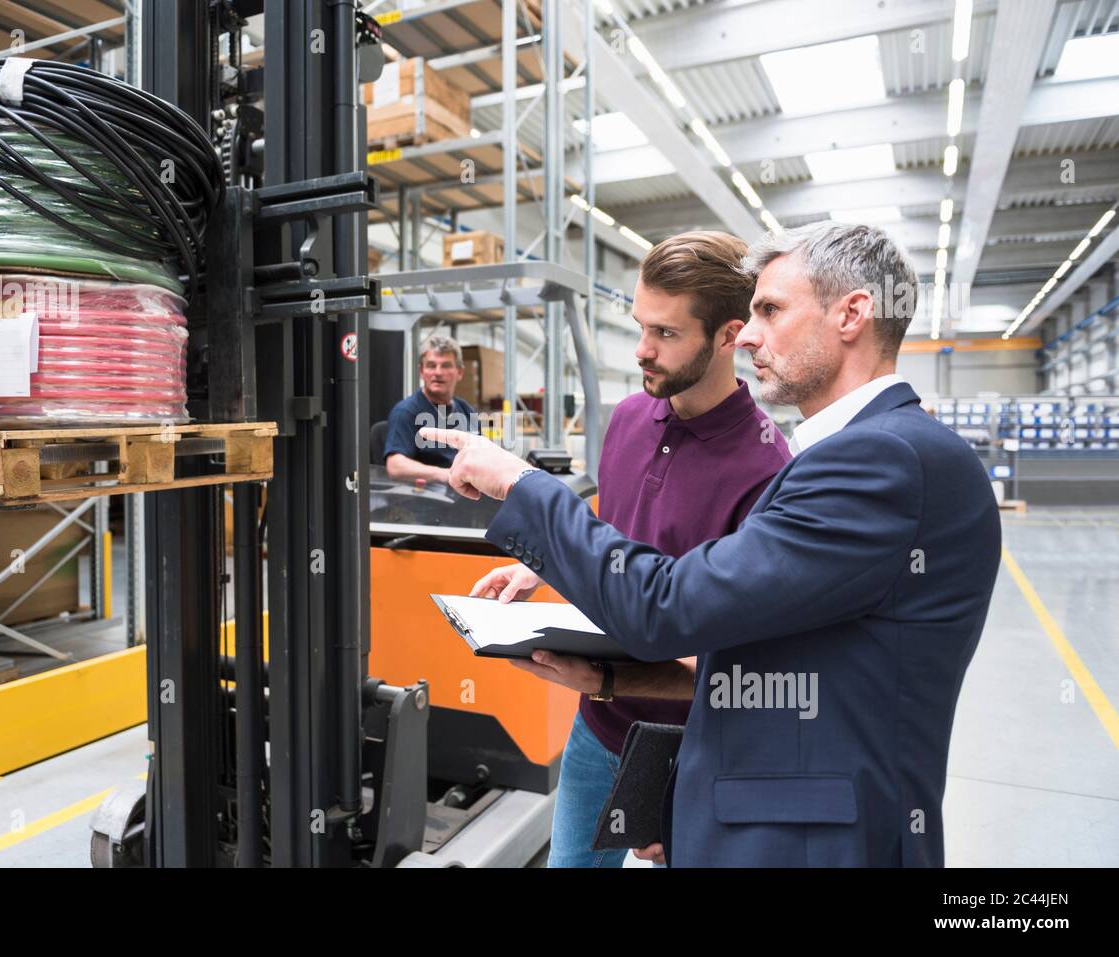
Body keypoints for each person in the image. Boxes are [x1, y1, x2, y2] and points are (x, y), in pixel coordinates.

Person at [420, 221, 1002, 867]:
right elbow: (773, 654)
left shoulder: (878, 461)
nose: (750, 332)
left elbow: (671, 604)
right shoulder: (848, 457)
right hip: (743, 797)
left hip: (806, 839)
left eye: (770, 309)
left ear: (853, 314)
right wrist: (612, 680)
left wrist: (519, 483)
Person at [469, 231, 789, 867]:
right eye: (640, 325)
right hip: (597, 727)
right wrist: (540, 564)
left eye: (666, 334)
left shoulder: (766, 470)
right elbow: (612, 528)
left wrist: (616, 681)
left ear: (729, 335)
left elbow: (744, 666)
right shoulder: (628, 418)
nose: (643, 350)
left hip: (686, 744)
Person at [384, 334, 476, 484]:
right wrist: (447, 475)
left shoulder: (466, 411)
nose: (438, 372)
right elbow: (395, 466)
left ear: (460, 372)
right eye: (431, 365)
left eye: (446, 365)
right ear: (421, 371)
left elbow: (481, 454)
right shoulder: (406, 412)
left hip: (467, 496)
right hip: (427, 501)